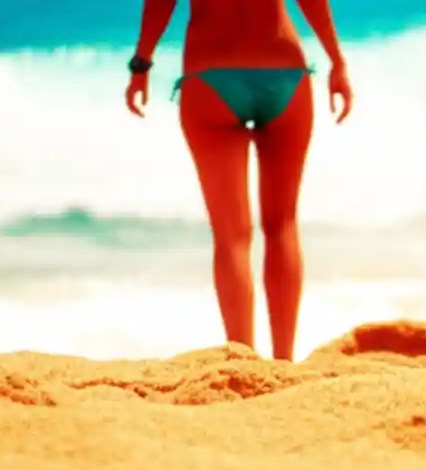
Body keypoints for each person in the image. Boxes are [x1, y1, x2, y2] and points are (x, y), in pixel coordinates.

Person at [125, 0, 353, 361]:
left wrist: (142, 63)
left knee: (232, 237)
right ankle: (283, 361)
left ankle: (243, 359)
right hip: (283, 71)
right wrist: (337, 61)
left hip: (210, 75)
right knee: (282, 225)